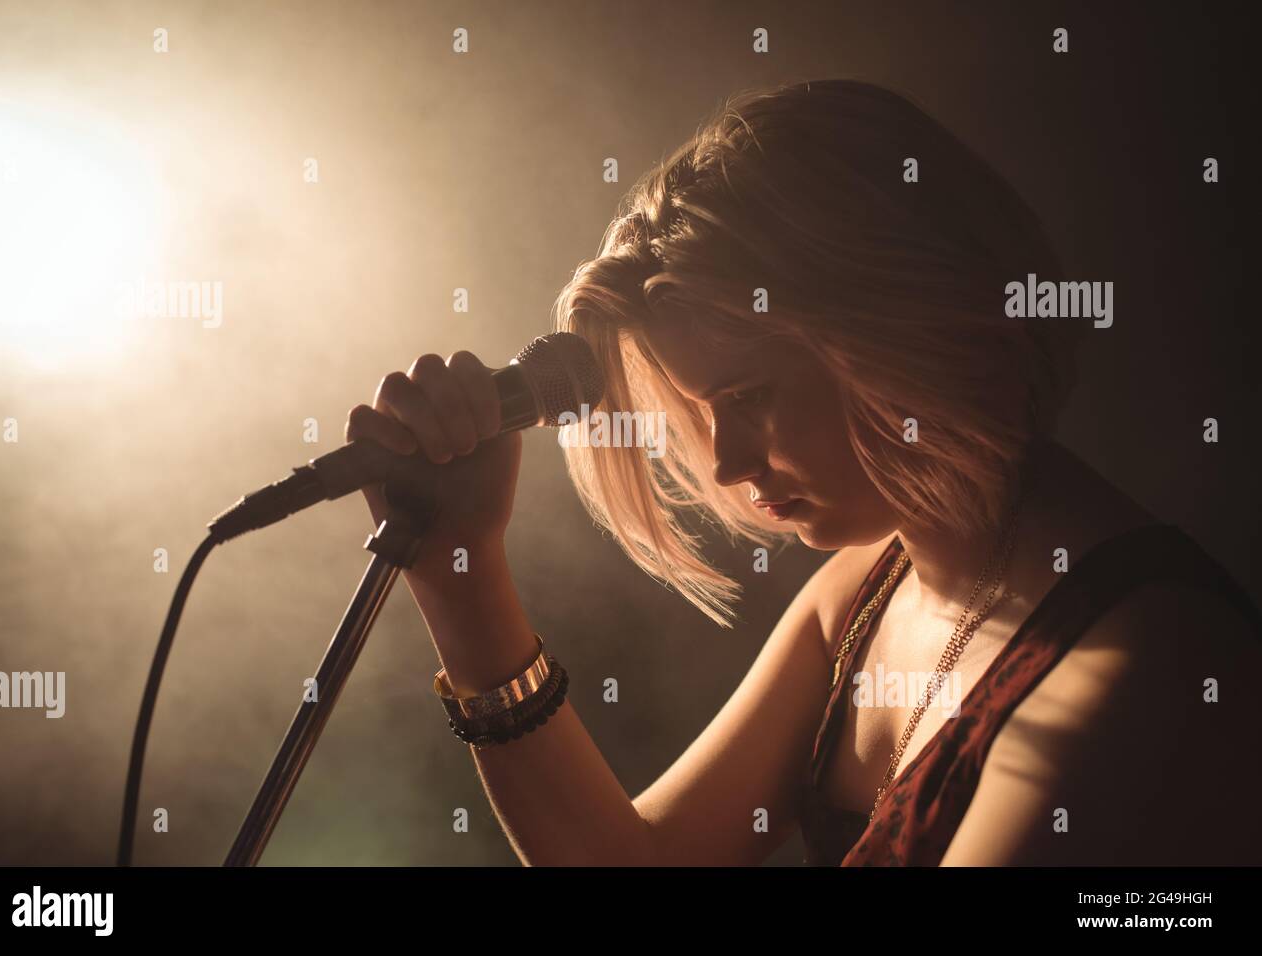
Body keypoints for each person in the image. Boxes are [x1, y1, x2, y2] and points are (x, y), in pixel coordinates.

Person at [343, 79, 1262, 865]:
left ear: (903, 332)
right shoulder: (863, 592)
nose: (728, 461)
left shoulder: (1140, 666)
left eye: (749, 395)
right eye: (699, 416)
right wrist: (461, 573)